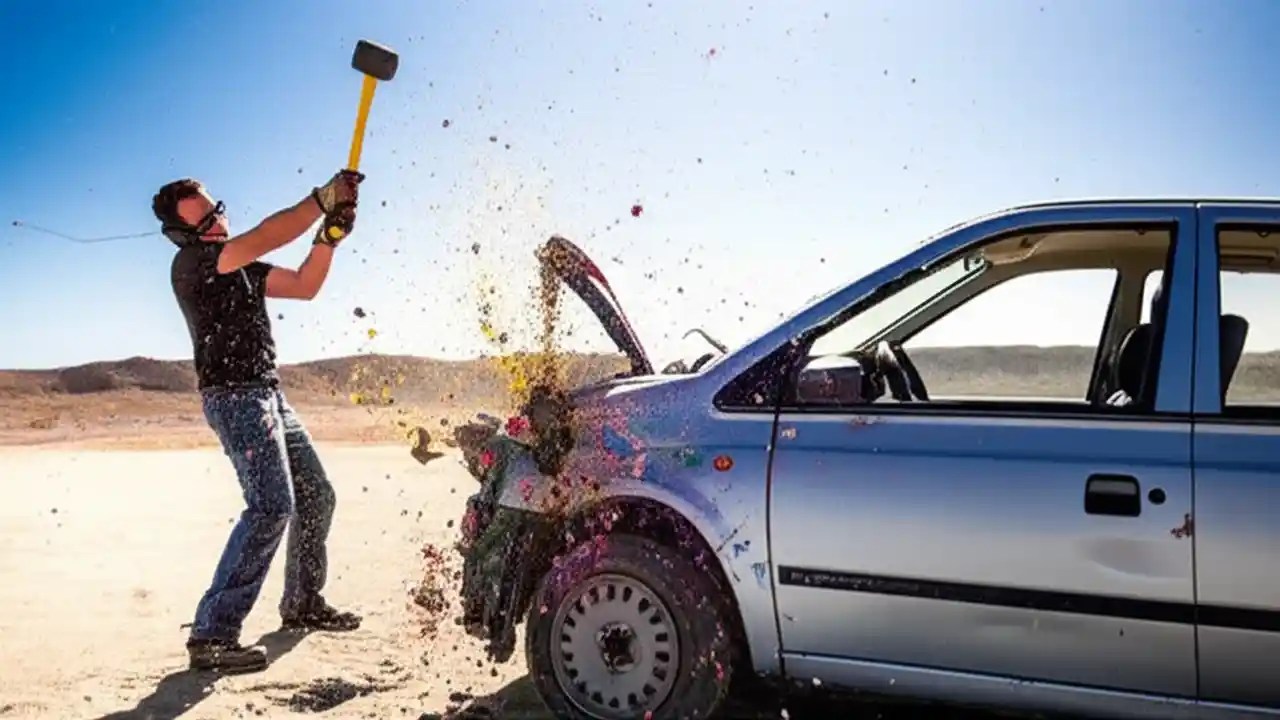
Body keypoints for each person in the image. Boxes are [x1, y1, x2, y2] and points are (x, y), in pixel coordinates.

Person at [151, 170, 365, 673]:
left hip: (269, 394)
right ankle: (213, 635)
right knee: (271, 506)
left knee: (316, 494)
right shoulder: (193, 264)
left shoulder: (241, 265)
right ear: (187, 233)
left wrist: (327, 238)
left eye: (217, 207)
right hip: (234, 398)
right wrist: (321, 200)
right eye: (207, 217)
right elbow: (268, 234)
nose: (220, 218)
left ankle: (302, 602)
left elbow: (305, 285)